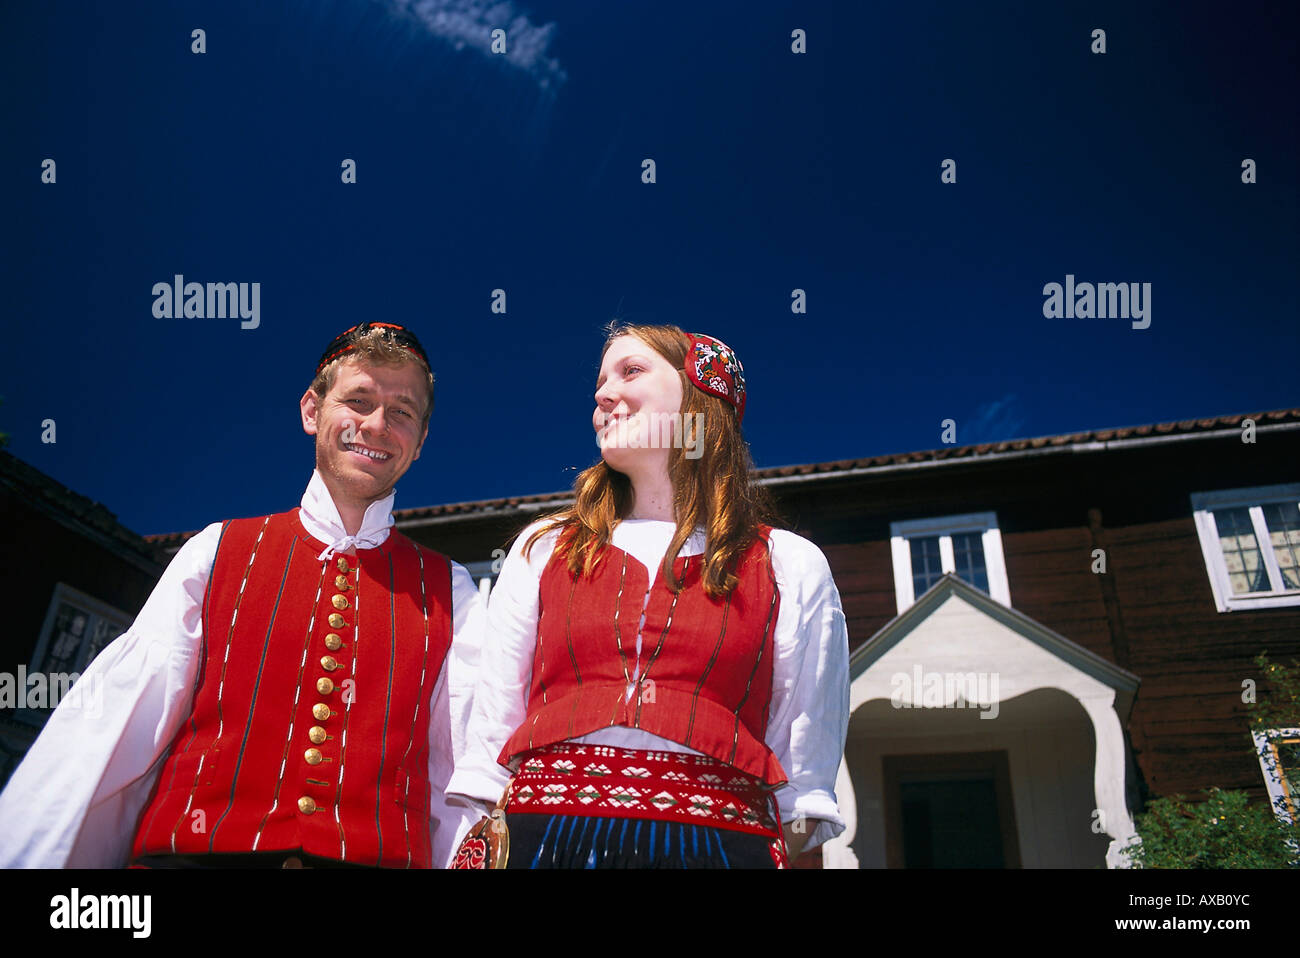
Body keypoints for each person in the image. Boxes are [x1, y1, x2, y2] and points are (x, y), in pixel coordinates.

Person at [0, 322, 484, 868]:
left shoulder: (453, 592)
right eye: (359, 399)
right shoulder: (218, 549)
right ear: (311, 411)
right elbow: (116, 727)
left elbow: (461, 774)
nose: (376, 424)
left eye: (402, 412)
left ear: (419, 442)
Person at [446, 323, 848, 868]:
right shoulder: (542, 550)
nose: (603, 394)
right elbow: (491, 747)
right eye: (599, 382)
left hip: (721, 849)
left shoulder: (789, 564)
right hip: (543, 845)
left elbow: (801, 785)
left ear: (701, 395)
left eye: (630, 371)